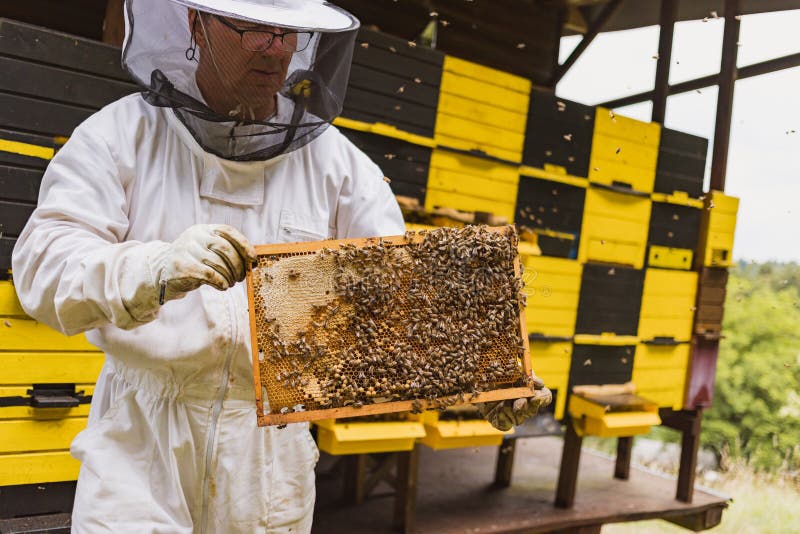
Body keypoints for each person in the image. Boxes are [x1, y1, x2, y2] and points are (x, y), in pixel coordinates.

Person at [12, 0, 548, 531]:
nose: (275, 48)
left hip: (269, 460)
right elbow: (43, 265)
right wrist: (152, 266)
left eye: (288, 32)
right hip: (143, 442)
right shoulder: (120, 136)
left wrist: (488, 376)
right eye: (252, 28)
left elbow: (396, 302)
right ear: (196, 23)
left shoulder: (339, 166)